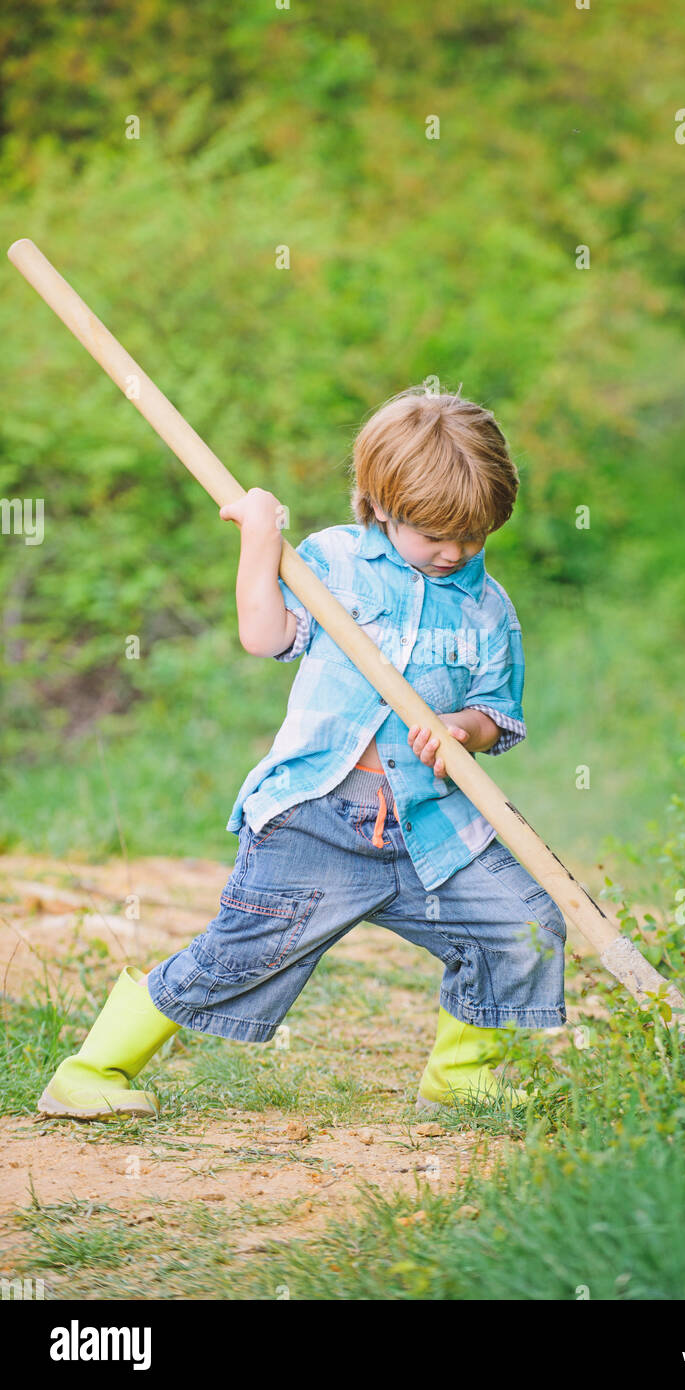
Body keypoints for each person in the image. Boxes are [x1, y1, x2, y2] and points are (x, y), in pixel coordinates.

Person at [38, 387, 567, 1121]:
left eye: (473, 536)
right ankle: (91, 1070)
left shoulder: (487, 609)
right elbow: (265, 635)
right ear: (381, 506)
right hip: (319, 818)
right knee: (241, 951)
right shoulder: (333, 563)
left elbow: (496, 715)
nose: (454, 552)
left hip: (430, 827)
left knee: (524, 923)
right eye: (434, 534)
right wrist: (260, 536)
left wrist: (461, 730)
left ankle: (462, 1073)